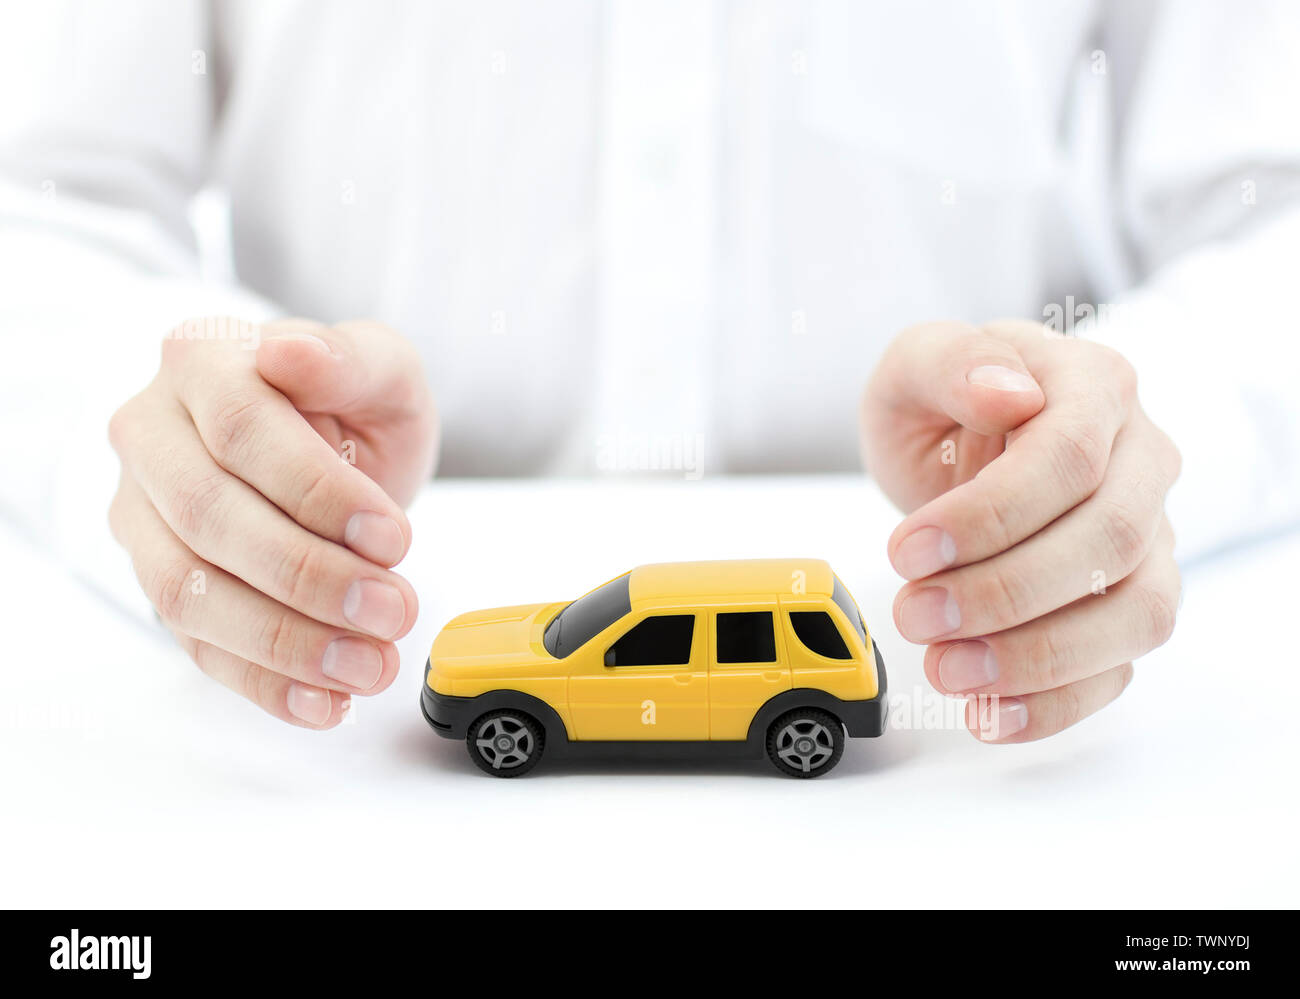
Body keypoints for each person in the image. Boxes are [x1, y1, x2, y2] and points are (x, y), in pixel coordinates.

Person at [1, 1, 1297, 740]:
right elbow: (45, 198)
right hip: (321, 691)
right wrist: (187, 432)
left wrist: (1119, 437)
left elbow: (1270, 212)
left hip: (982, 702)